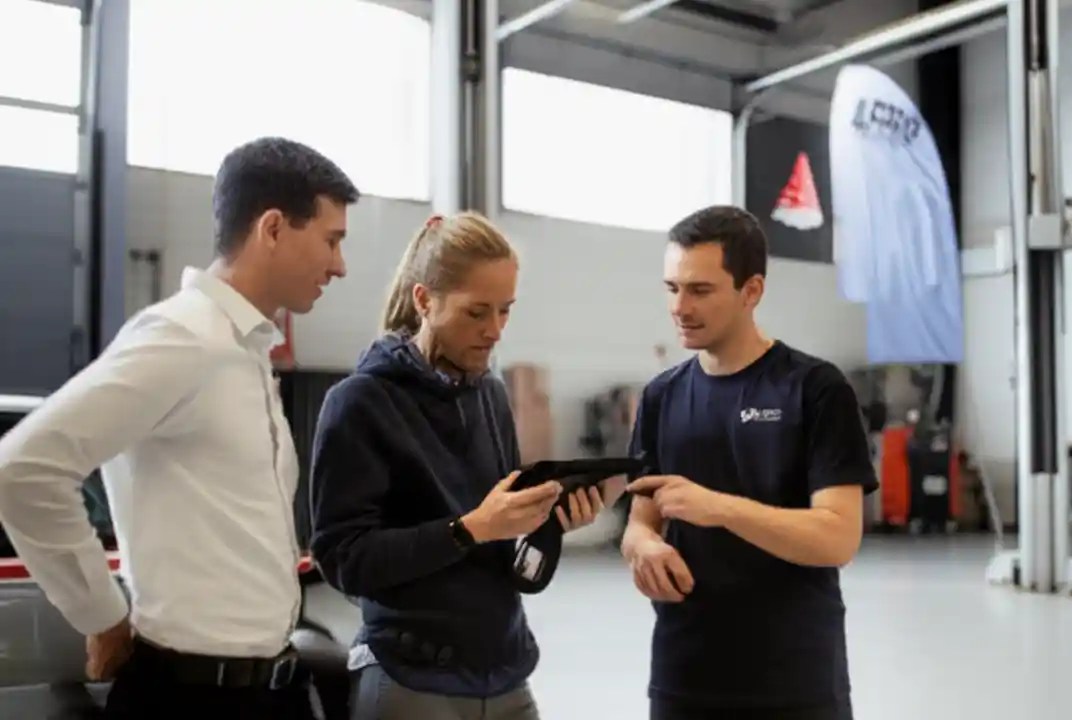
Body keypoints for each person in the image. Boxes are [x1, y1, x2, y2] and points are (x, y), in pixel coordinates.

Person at [0, 136, 359, 718]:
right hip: (189, 697)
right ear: (272, 228)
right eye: (331, 240)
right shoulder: (183, 337)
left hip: (270, 688)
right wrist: (103, 617)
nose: (340, 265)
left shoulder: (243, 350)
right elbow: (23, 470)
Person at [308, 211, 606, 720]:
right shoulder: (360, 403)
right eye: (477, 313)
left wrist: (549, 524)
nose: (495, 331)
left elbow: (503, 545)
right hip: (411, 679)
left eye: (506, 311)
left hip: (504, 668)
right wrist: (468, 529)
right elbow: (344, 561)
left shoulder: (489, 394)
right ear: (425, 300)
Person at [621, 205, 879, 720]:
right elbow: (640, 520)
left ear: (751, 290)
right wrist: (643, 547)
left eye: (700, 290)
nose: (680, 306)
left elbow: (837, 538)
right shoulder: (661, 397)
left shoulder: (815, 389)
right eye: (672, 288)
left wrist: (719, 508)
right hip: (684, 677)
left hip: (794, 683)